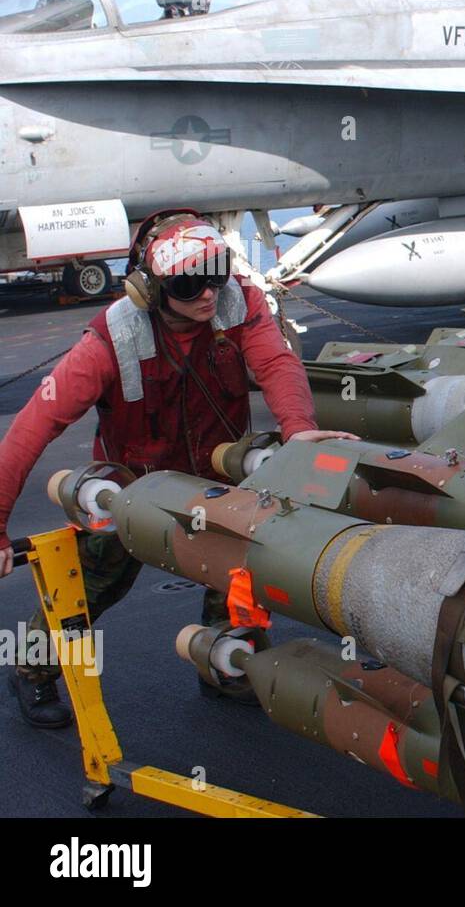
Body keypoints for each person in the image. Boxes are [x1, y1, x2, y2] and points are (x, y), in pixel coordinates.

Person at [0, 210, 355, 728]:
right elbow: (32, 428)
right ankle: (32, 668)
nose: (209, 295)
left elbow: (277, 363)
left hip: (219, 481)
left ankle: (227, 666)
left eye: (216, 274)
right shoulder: (109, 341)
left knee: (240, 576)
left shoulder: (238, 303)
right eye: (189, 285)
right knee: (94, 584)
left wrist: (298, 429)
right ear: (151, 289)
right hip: (134, 486)